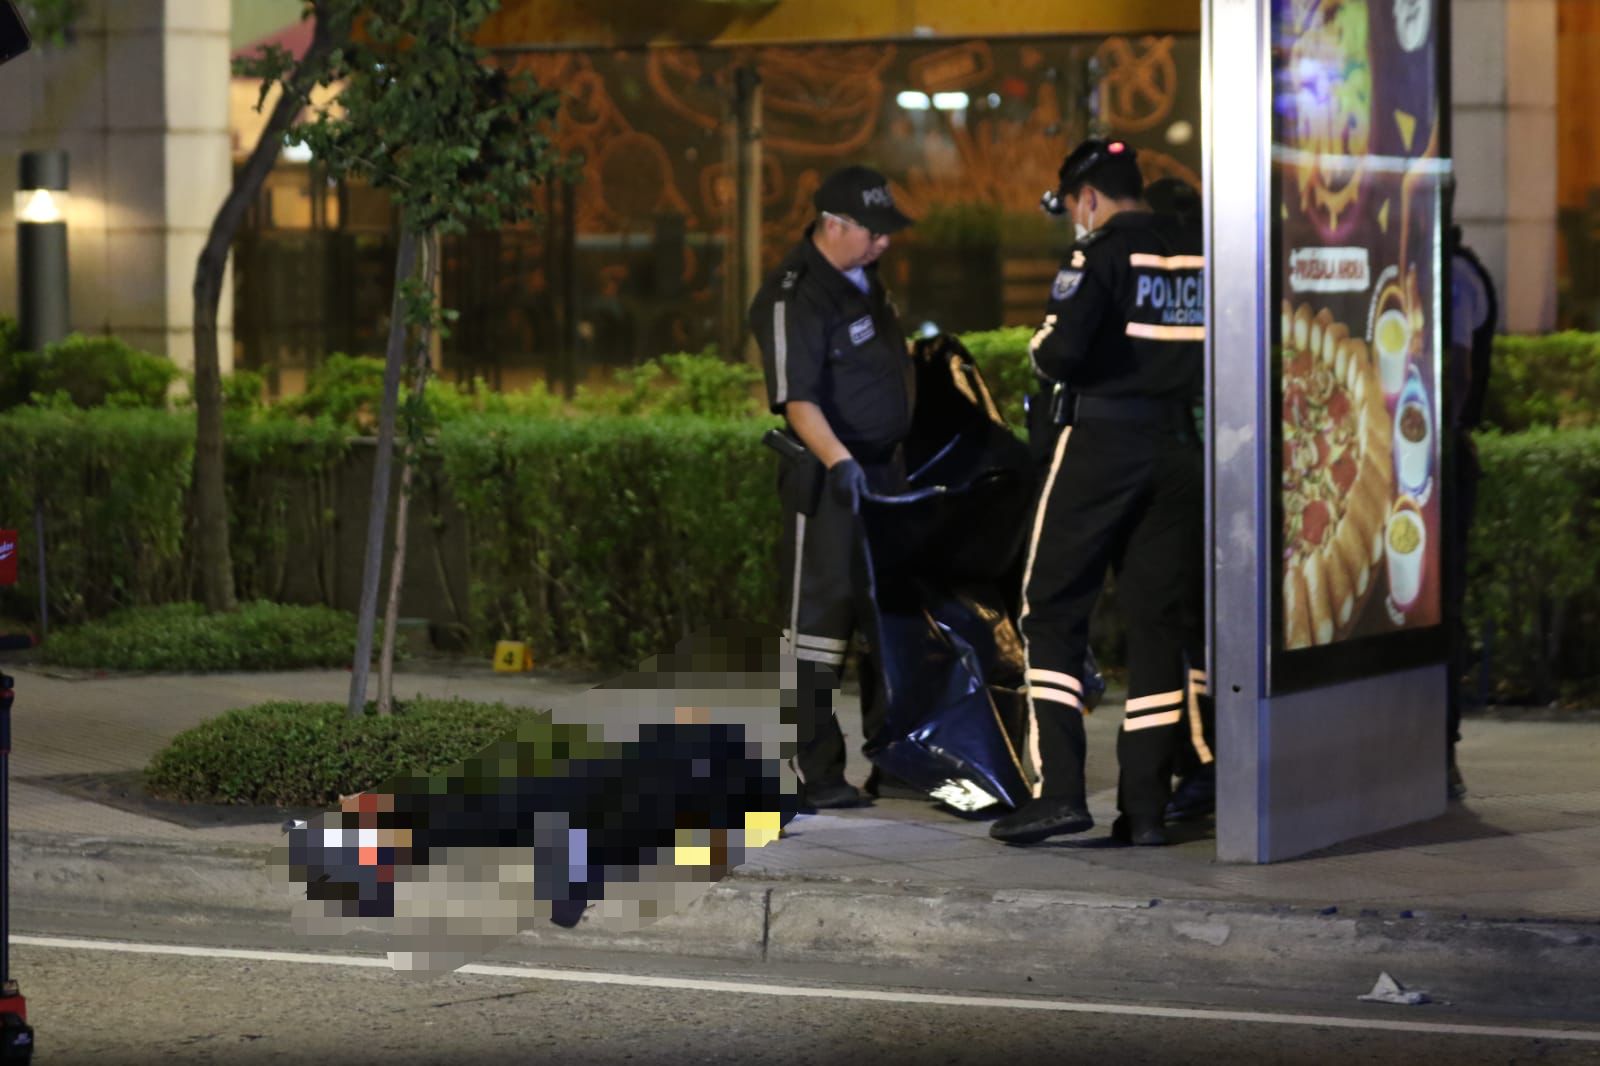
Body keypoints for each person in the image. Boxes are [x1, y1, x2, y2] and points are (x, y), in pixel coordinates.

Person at [989, 138, 1207, 847]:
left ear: (1086, 197)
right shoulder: (1195, 250)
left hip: (1101, 444)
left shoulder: (1100, 253)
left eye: (1072, 209)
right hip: (1178, 449)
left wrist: (1037, 345)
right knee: (1157, 627)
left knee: (1049, 607)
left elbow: (1059, 352)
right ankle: (1145, 808)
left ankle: (1058, 793)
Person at [748, 164, 916, 811]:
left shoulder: (864, 280)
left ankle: (895, 758)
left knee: (886, 623)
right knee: (816, 629)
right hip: (828, 480)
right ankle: (814, 772)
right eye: (875, 233)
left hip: (883, 475)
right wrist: (842, 464)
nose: (885, 244)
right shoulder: (795, 295)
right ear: (835, 225)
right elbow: (797, 399)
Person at [1446, 221, 1497, 801]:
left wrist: (1439, 437)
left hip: (1442, 458)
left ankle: (1441, 747)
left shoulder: (1454, 274)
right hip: (1437, 455)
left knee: (1444, 605)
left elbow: (1457, 369)